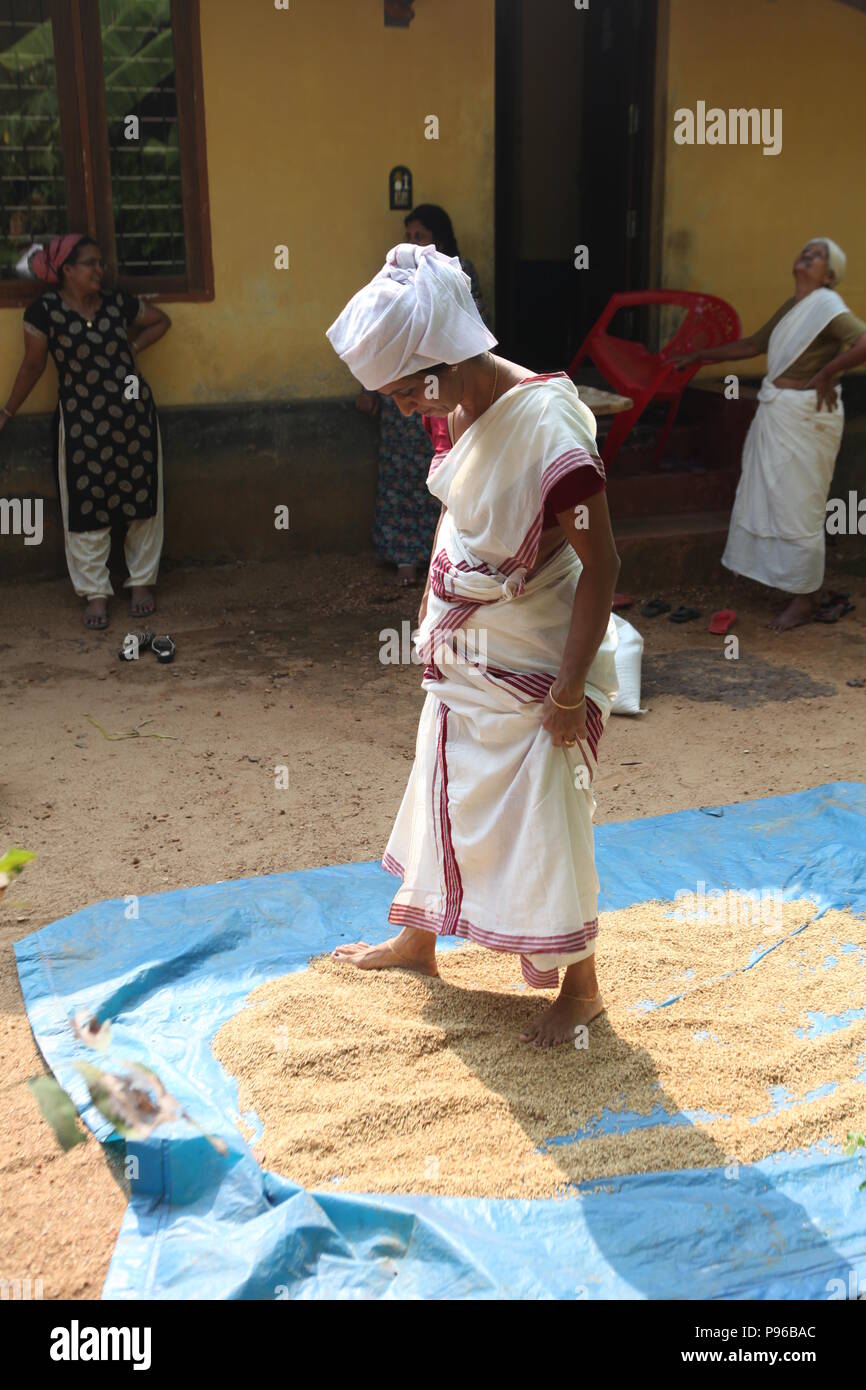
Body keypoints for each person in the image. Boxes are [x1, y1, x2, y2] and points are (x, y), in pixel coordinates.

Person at [327, 243, 620, 1048]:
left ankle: (584, 988)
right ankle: (421, 939)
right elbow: (461, 517)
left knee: (545, 808)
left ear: (443, 360)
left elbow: (603, 563)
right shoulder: (453, 407)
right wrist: (435, 608)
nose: (396, 407)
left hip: (539, 654)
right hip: (465, 649)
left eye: (399, 389)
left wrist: (567, 692)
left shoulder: (550, 423)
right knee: (439, 778)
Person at [675, 238, 866, 630]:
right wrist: (699, 356)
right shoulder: (794, 306)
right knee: (775, 499)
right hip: (779, 411)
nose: (807, 256)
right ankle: (790, 584)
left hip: (805, 416)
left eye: (818, 256)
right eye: (806, 250)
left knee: (800, 506)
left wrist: (829, 371)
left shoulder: (828, 306)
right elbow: (754, 345)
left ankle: (806, 600)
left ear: (829, 276)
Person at [0, 233, 171, 629]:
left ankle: (142, 582)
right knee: (85, 502)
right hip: (81, 423)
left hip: (133, 417)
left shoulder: (117, 304)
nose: (100, 270)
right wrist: (7, 410)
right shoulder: (43, 312)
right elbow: (32, 366)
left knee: (141, 496)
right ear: (66, 271)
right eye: (90, 263)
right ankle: (95, 591)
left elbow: (161, 321)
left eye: (100, 263)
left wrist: (133, 349)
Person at [358, 204, 487, 587]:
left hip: (441, 389)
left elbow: (473, 330)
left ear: (439, 240)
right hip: (405, 390)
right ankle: (404, 557)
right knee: (401, 478)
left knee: (444, 473)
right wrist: (368, 388)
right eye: (409, 235)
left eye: (421, 236)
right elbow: (377, 338)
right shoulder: (396, 278)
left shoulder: (458, 275)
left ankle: (445, 556)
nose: (413, 242)